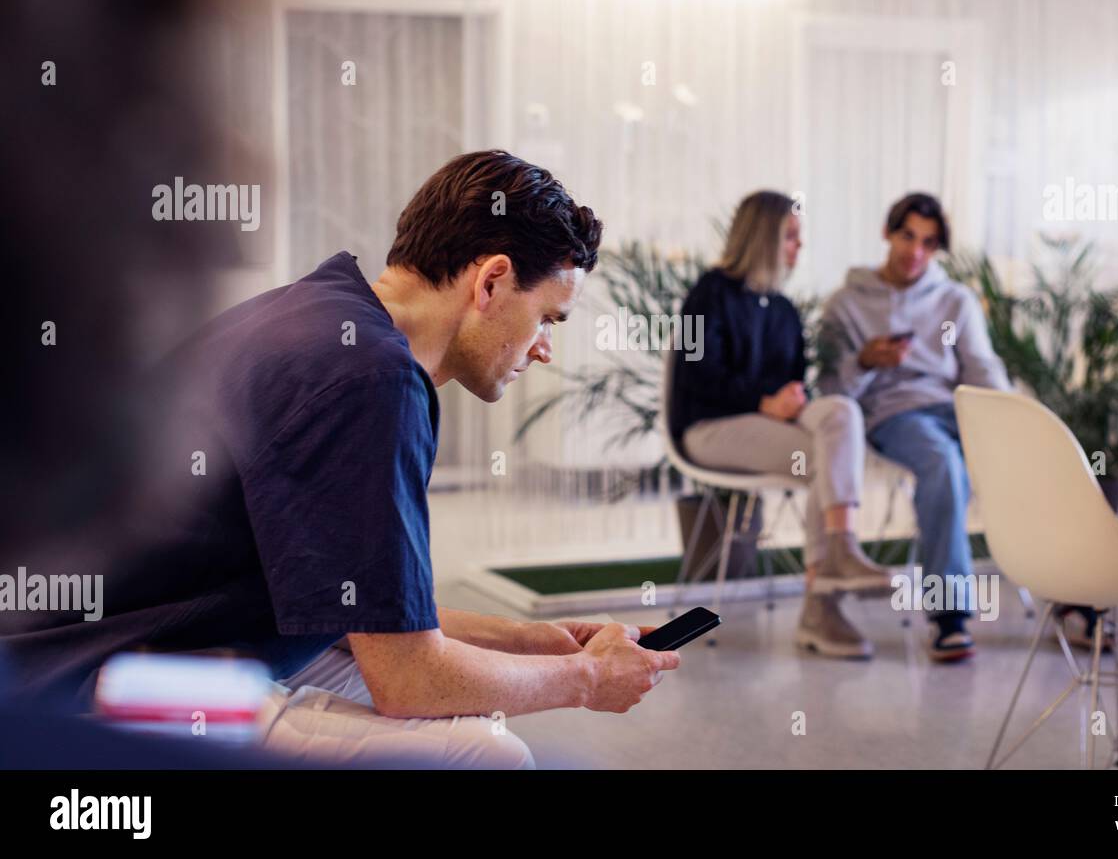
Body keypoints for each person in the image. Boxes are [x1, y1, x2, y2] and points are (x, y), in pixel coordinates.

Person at [2, 147, 682, 769]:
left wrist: (535, 641)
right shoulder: (369, 379)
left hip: (148, 648)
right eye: (548, 319)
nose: (543, 349)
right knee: (486, 758)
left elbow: (370, 616)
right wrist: (588, 679)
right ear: (493, 282)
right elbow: (407, 679)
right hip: (110, 680)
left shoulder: (325, 315)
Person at [670, 191, 889, 660]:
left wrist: (789, 400)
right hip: (709, 426)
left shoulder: (785, 310)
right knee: (825, 459)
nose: (799, 246)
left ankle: (842, 548)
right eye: (790, 236)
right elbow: (695, 376)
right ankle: (821, 607)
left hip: (765, 420)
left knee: (841, 413)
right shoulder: (707, 294)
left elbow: (792, 381)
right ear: (763, 237)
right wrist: (762, 401)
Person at [818, 192, 1010, 662]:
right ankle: (950, 617)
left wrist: (1014, 421)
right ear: (887, 233)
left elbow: (982, 369)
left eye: (928, 243)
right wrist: (865, 362)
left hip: (956, 409)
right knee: (944, 464)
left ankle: (1077, 599)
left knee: (1038, 456)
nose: (916, 252)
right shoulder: (845, 305)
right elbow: (828, 392)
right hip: (892, 416)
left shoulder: (955, 300)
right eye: (908, 236)